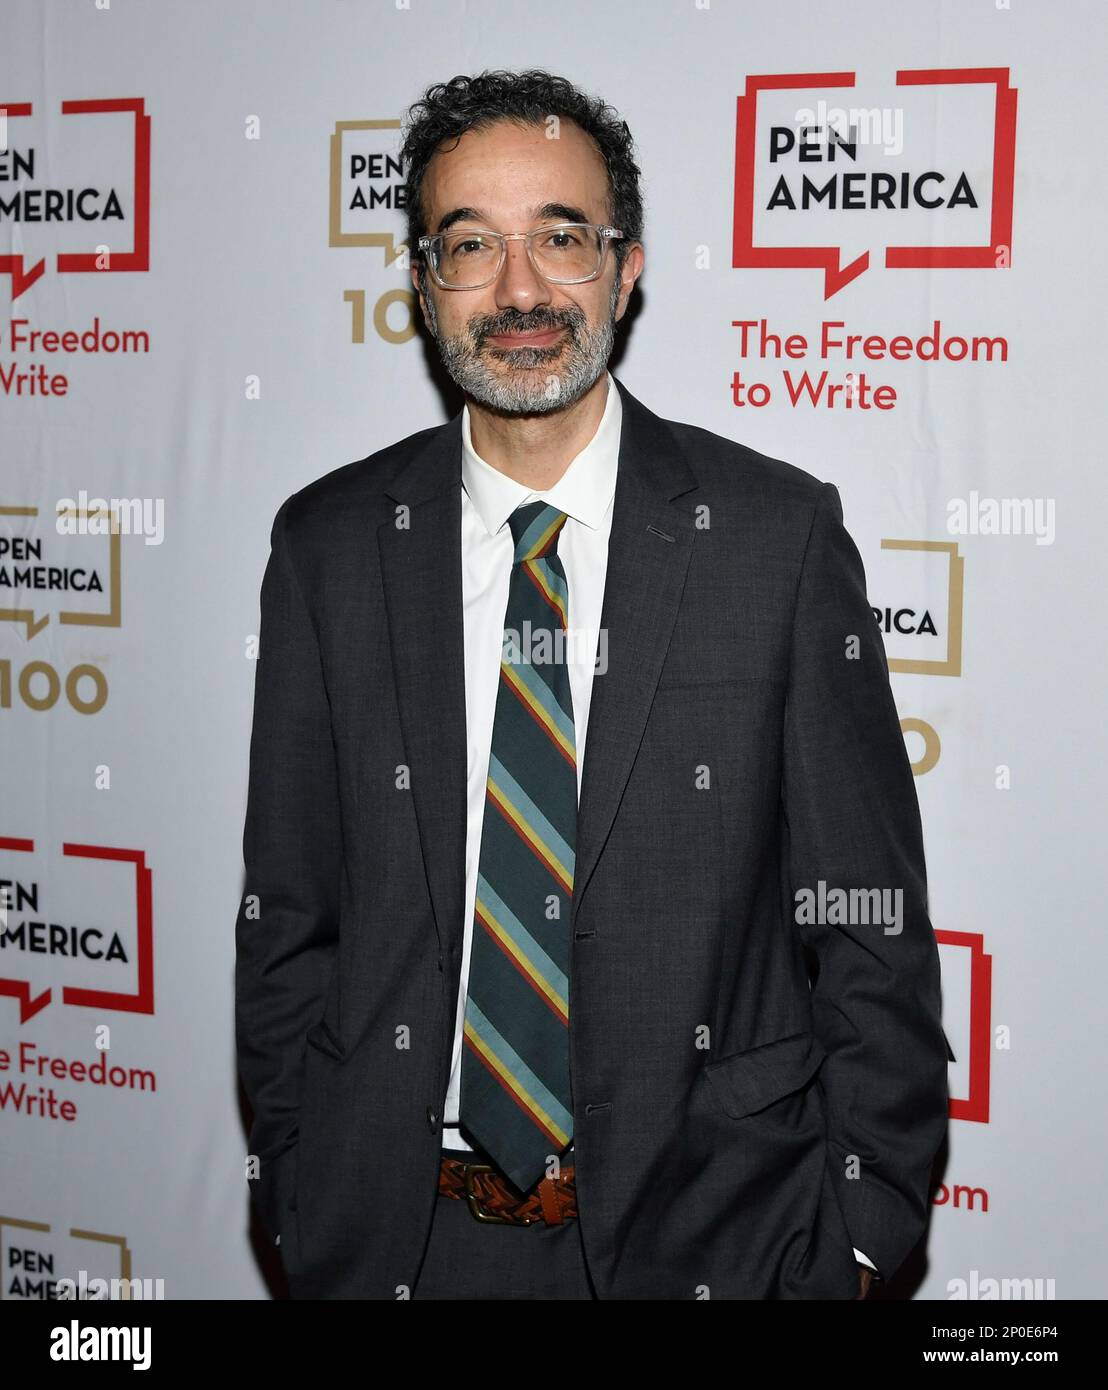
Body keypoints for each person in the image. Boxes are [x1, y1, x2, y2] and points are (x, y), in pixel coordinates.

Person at [235, 68, 949, 1300]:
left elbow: (865, 927)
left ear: (624, 270)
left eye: (560, 238)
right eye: (471, 245)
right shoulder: (327, 546)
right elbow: (290, 920)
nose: (518, 289)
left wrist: (863, 1230)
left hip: (712, 1241)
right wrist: (304, 1189)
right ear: (421, 284)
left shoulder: (772, 541)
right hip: (397, 1242)